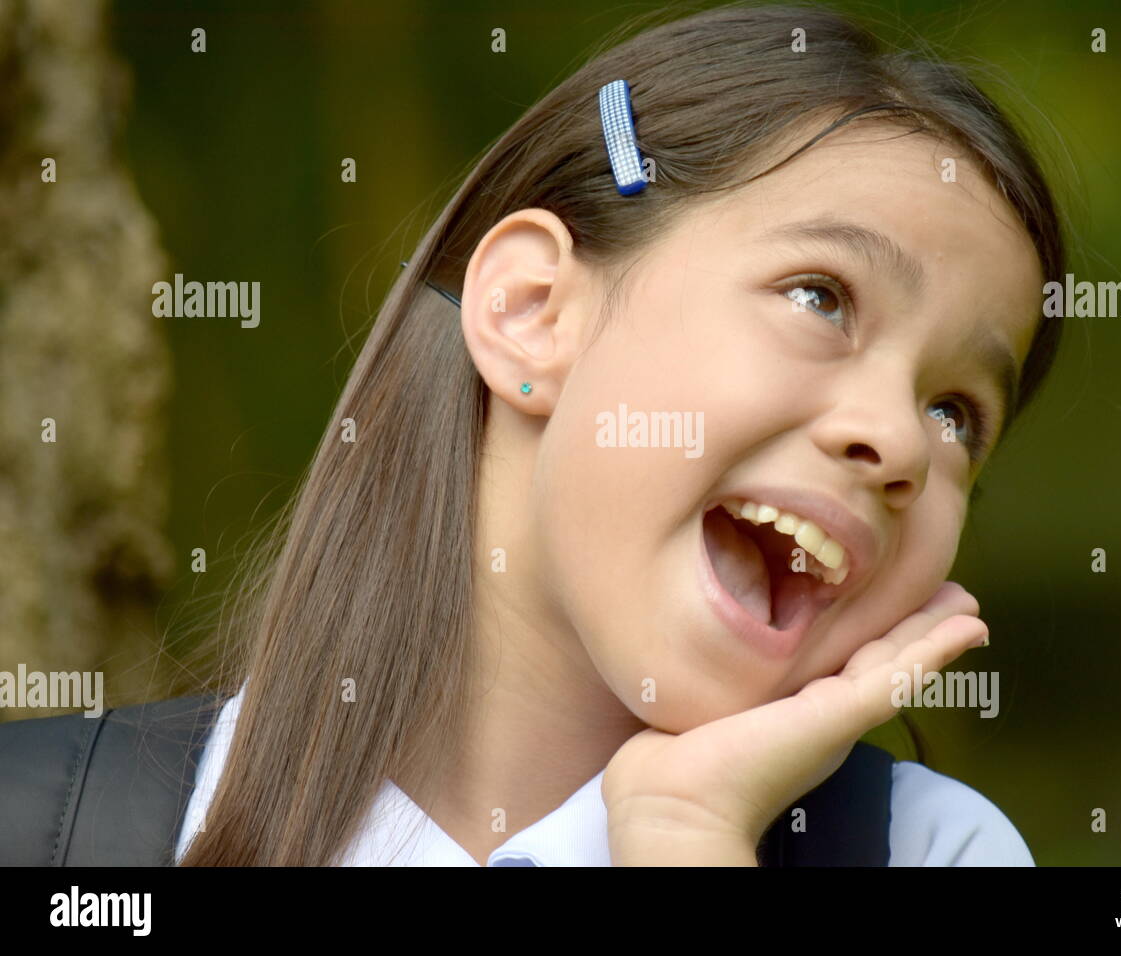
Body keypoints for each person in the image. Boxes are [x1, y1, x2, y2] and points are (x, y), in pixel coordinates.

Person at [1, 1, 1065, 867]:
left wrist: (687, 844)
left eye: (956, 411)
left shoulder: (930, 851)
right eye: (821, 296)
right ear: (531, 311)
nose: (898, 440)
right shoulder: (45, 828)